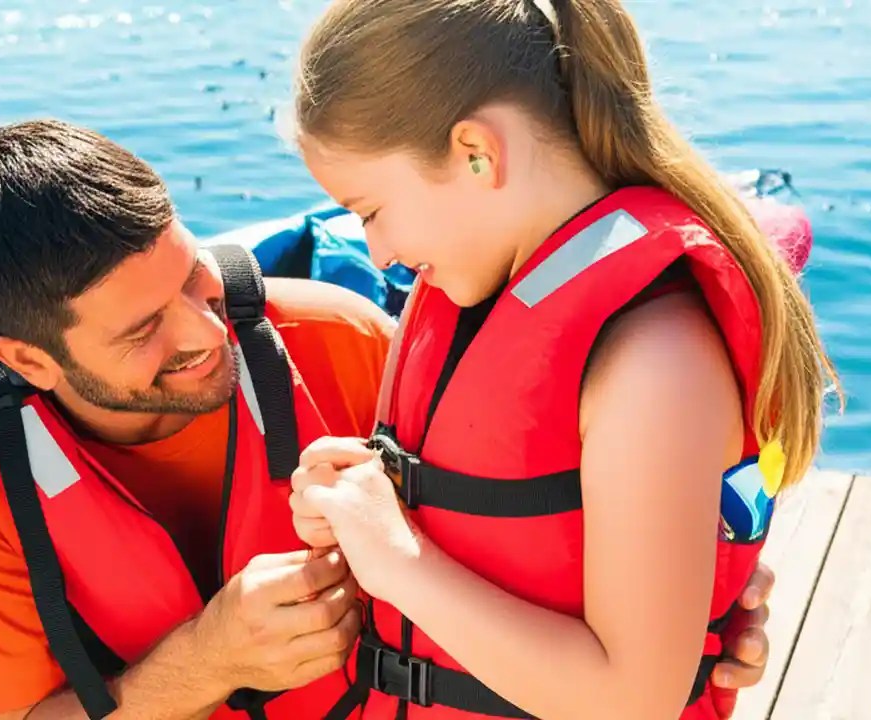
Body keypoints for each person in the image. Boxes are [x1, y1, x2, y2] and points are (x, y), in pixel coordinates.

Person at [0, 119, 778, 720]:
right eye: (142, 330)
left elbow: (550, 521)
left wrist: (696, 597)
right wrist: (209, 663)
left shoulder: (341, 337)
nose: (206, 333)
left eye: (192, 277)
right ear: (28, 360)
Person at [284, 1, 838, 720]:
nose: (378, 253)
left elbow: (632, 702)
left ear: (477, 152)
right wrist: (367, 497)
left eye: (369, 210)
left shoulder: (652, 358)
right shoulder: (473, 289)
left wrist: (395, 562)